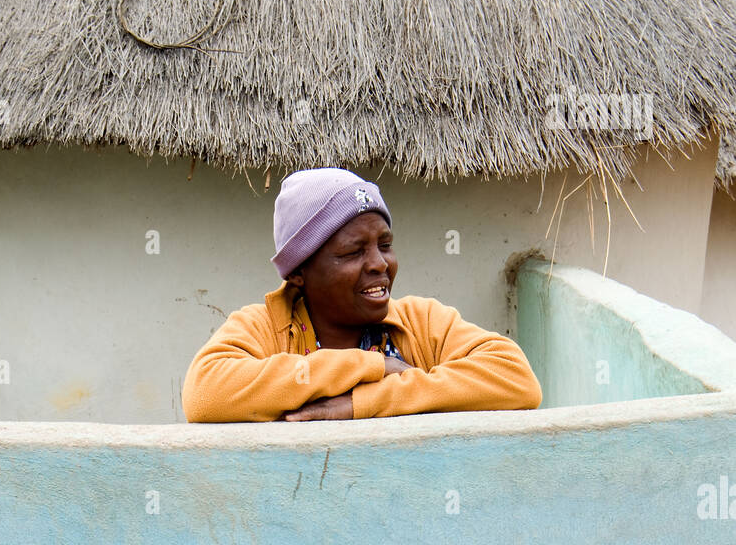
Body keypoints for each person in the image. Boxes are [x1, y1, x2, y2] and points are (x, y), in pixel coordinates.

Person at [182, 167, 541, 423]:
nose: (379, 264)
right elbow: (204, 393)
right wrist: (372, 366)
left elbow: (514, 378)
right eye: (353, 252)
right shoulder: (264, 328)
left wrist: (363, 402)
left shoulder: (422, 322)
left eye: (385, 245)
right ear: (297, 273)